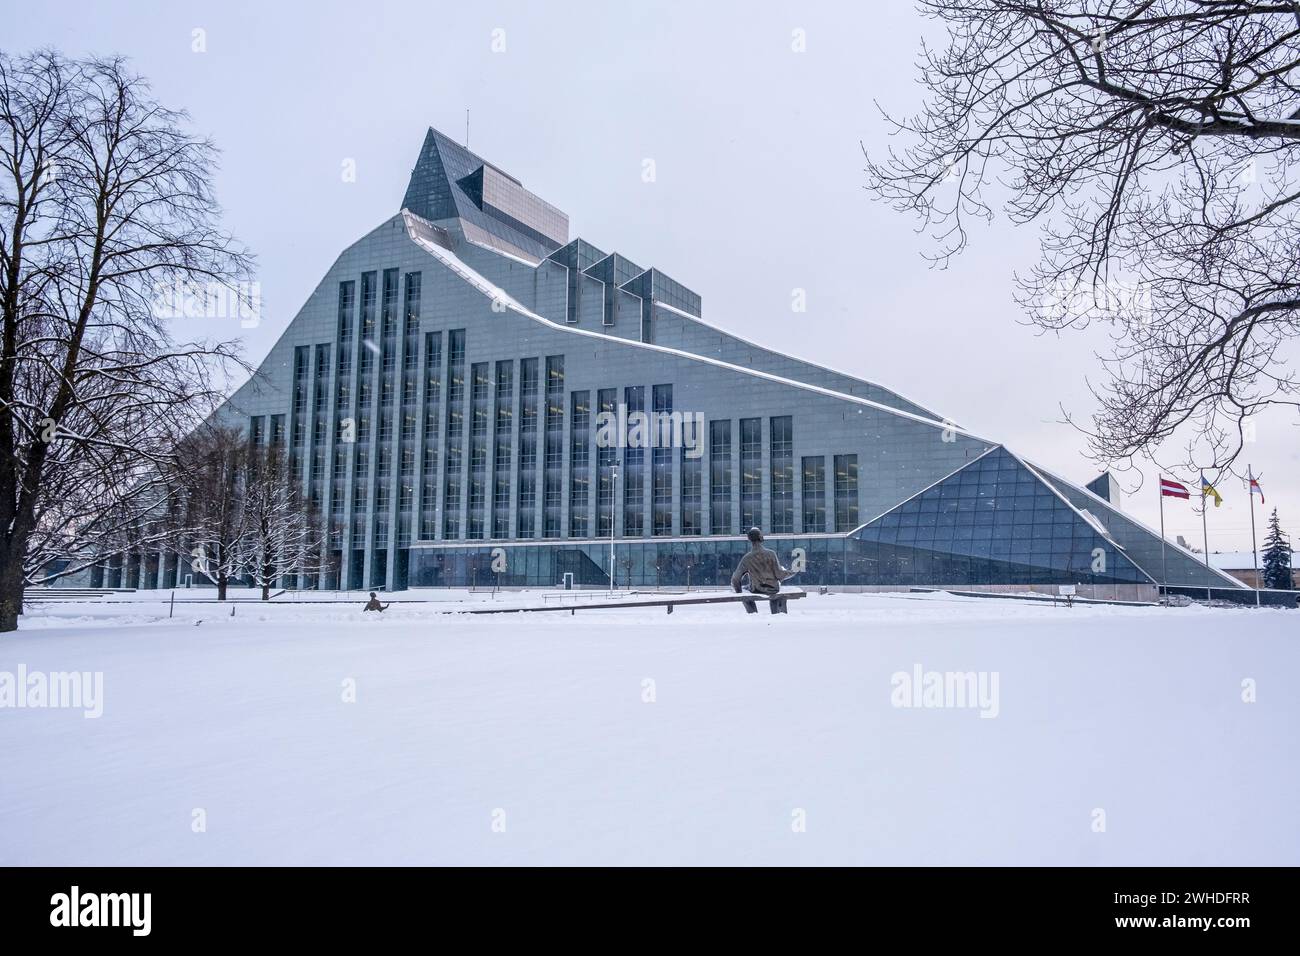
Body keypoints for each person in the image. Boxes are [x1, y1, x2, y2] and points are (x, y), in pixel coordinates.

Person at [730, 526, 795, 614]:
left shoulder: (747, 558)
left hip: (756, 589)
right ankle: (777, 614)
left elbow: (735, 579)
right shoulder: (771, 554)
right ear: (761, 538)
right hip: (773, 589)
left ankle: (753, 613)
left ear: (750, 539)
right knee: (777, 595)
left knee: (744, 592)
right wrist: (791, 572)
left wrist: (739, 592)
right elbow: (779, 575)